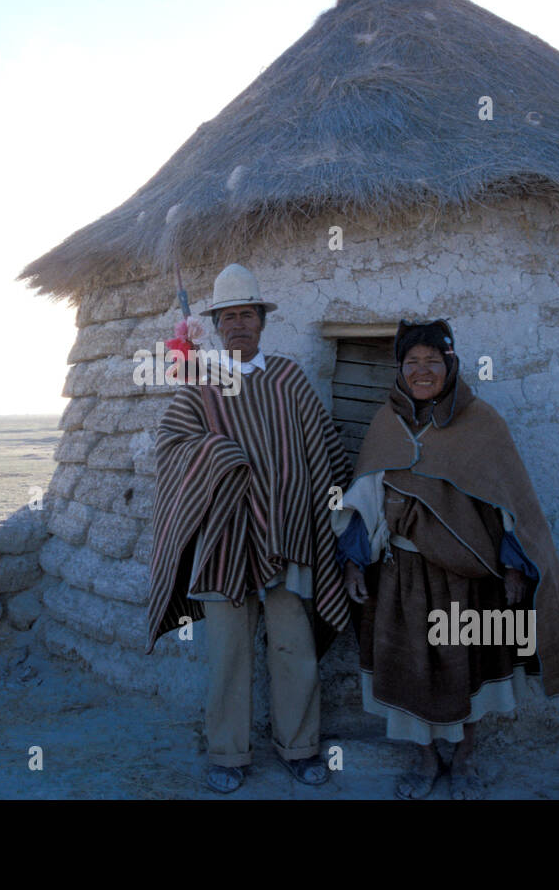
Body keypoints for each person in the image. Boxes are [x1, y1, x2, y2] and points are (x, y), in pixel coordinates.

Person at [332, 319, 559, 799]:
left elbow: (509, 504)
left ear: (451, 364)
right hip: (403, 575)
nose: (422, 370)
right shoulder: (387, 423)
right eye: (412, 361)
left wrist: (512, 566)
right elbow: (365, 497)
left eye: (433, 360)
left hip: (468, 576)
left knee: (466, 667)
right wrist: (352, 560)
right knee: (410, 671)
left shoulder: (481, 422)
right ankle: (426, 759)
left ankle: (465, 757)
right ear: (400, 368)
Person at [146, 264, 353, 794]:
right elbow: (170, 449)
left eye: (247, 314)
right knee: (228, 654)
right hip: (224, 541)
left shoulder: (288, 379)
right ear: (216, 326)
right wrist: (216, 453)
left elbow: (324, 447)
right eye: (228, 317)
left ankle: (299, 747)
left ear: (262, 320)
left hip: (288, 537)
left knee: (294, 648)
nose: (238, 324)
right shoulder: (201, 384)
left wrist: (335, 512)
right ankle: (228, 754)